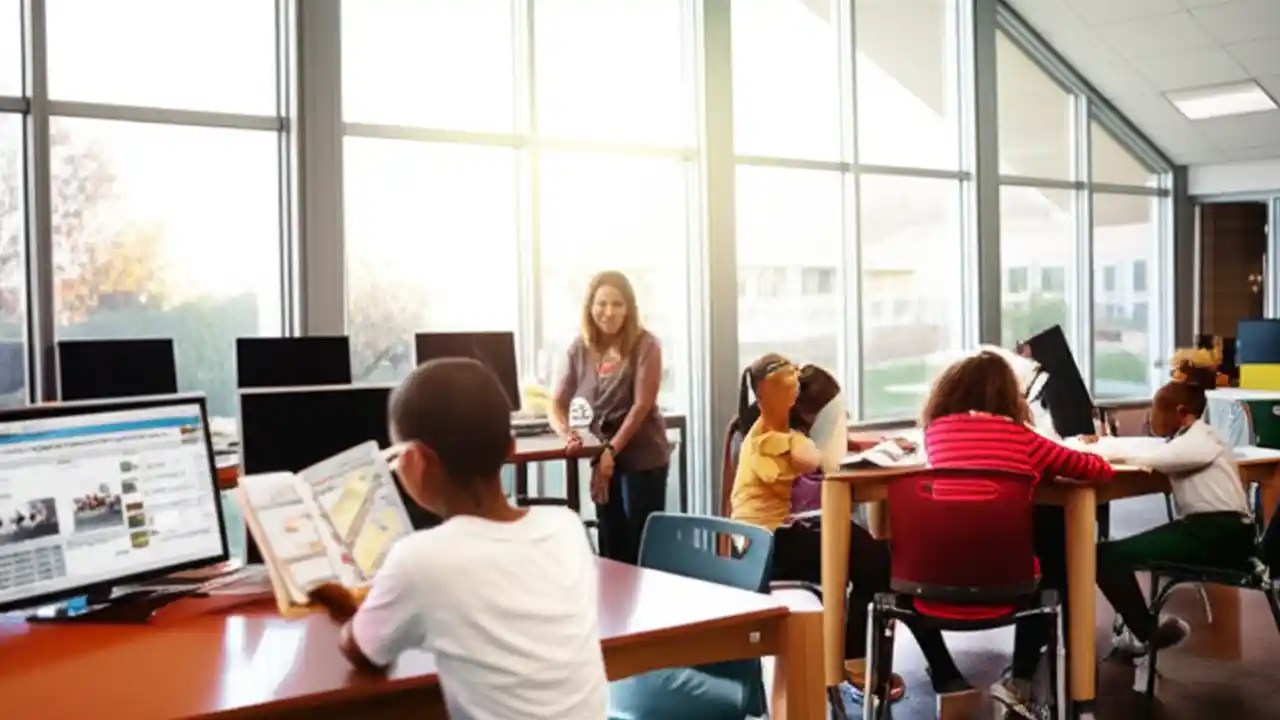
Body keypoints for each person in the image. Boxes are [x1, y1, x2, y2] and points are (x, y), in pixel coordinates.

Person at [311, 358, 607, 720]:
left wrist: (348, 610)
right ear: (510, 449)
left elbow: (362, 651)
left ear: (417, 462)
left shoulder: (420, 560)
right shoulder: (567, 527)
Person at [730, 353, 965, 704]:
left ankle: (867, 668)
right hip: (774, 545)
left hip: (770, 539)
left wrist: (865, 446)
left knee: (878, 565)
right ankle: (862, 668)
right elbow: (824, 477)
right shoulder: (780, 443)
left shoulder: (767, 428)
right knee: (884, 566)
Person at [921, 350, 1115, 720]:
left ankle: (949, 675)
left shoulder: (934, 434)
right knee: (1054, 538)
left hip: (933, 579)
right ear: (1009, 396)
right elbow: (1096, 471)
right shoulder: (1022, 437)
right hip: (1010, 579)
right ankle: (1026, 679)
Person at [1097, 349, 1254, 657]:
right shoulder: (1200, 436)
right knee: (1109, 553)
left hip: (1217, 535)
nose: (1151, 419)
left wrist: (1102, 451)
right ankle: (1140, 630)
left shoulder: (1199, 440)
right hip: (1216, 531)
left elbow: (1151, 460)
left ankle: (1144, 633)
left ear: (1181, 412)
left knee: (1106, 557)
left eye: (1157, 411)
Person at [550, 270, 670, 565]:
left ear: (629, 308)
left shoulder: (646, 345)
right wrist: (569, 434)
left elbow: (642, 405)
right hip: (602, 456)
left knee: (640, 550)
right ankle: (614, 610)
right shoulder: (581, 347)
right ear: (590, 308)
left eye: (618, 304)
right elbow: (556, 403)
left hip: (642, 457)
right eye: (602, 304)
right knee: (611, 545)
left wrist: (610, 451)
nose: (609, 312)